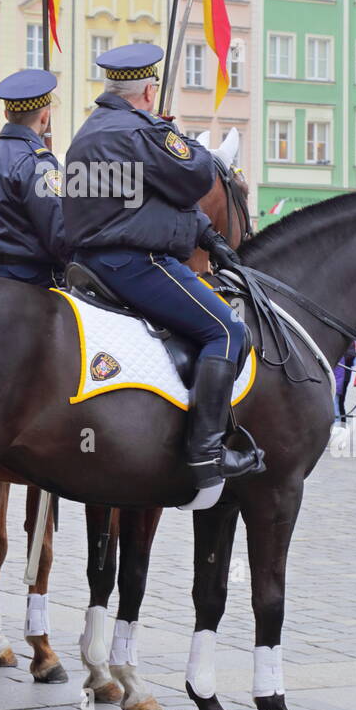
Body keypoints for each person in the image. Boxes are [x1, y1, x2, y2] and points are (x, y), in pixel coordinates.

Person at [63, 41, 264, 489]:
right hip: (136, 262)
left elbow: (153, 198)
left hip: (92, 261)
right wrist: (170, 135)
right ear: (149, 92)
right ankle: (205, 454)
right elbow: (196, 175)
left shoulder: (88, 133)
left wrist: (208, 237)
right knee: (227, 330)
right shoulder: (142, 132)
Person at [0, 70, 66, 285]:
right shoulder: (38, 162)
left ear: (6, 114)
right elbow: (58, 231)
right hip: (33, 278)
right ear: (45, 116)